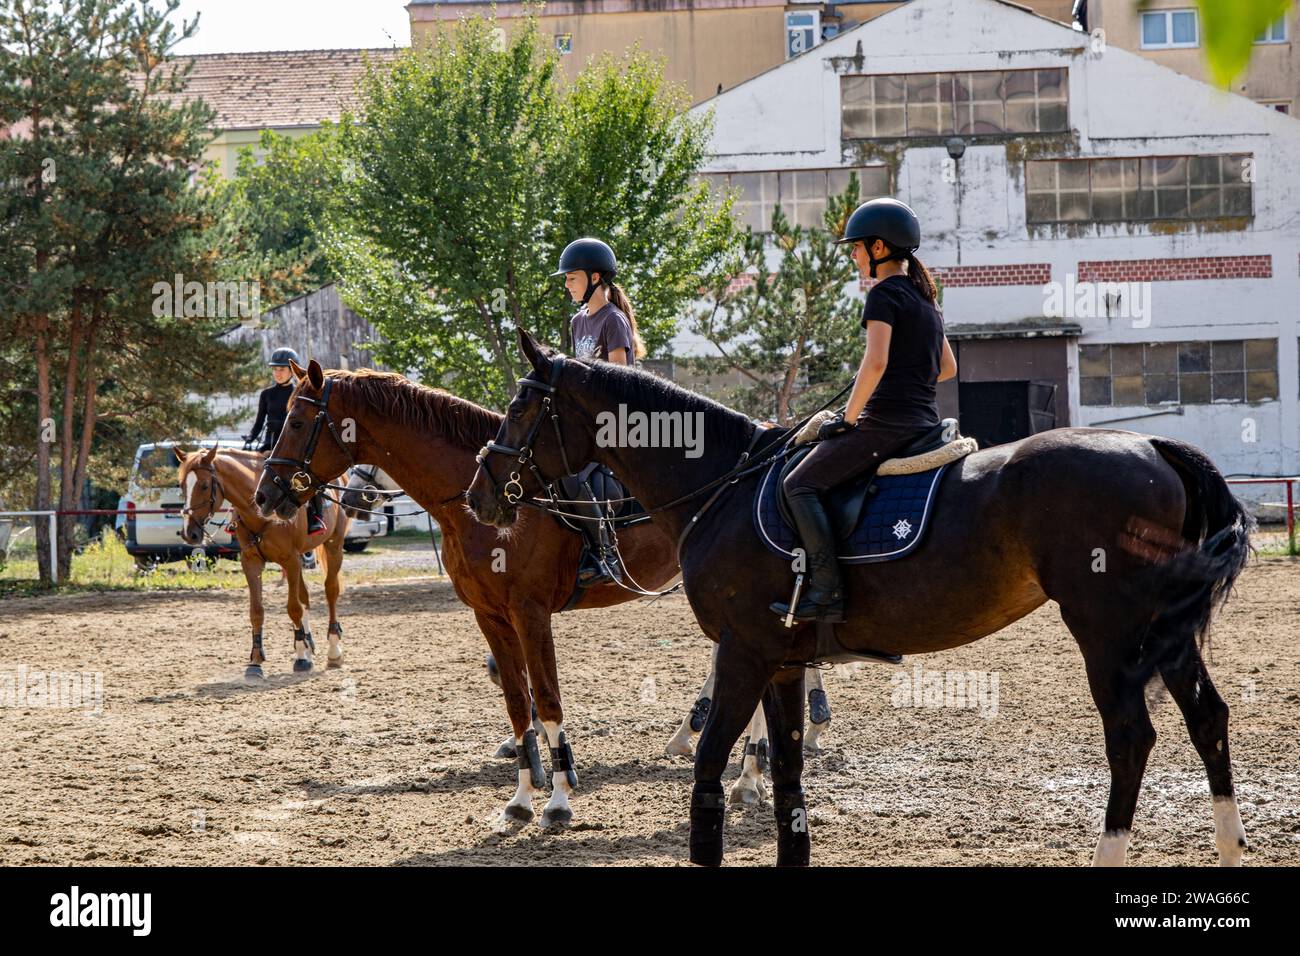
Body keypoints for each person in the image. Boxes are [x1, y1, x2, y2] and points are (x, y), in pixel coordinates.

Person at [770, 198, 958, 623]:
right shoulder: (926, 299)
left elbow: (874, 363)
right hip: (922, 421)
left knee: (799, 484)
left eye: (856, 247)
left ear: (878, 249)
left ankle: (827, 591)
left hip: (886, 424)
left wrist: (849, 418)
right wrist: (909, 379)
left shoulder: (884, 295)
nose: (852, 255)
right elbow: (947, 368)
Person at [552, 237, 645, 586]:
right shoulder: (578, 321)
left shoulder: (613, 319)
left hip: (616, 419)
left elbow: (619, 381)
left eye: (571, 277)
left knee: (572, 473)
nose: (566, 284)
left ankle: (606, 555)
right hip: (587, 420)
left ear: (594, 278)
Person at [246, 348, 328, 562]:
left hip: (291, 446)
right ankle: (238, 518)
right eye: (275, 369)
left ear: (291, 372)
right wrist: (250, 440)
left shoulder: (297, 393)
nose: (278, 373)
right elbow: (259, 422)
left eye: (282, 369)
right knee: (244, 475)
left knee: (309, 478)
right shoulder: (266, 394)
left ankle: (316, 518)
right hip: (269, 444)